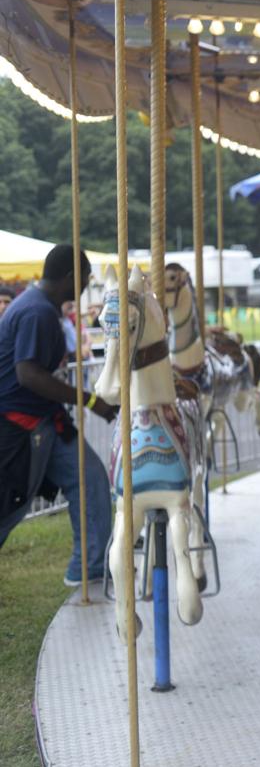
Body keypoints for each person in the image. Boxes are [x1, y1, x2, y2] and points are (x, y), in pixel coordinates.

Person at [0, 245, 116, 586]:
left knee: (90, 479)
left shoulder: (43, 308)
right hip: (19, 427)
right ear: (70, 277)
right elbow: (29, 375)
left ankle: (89, 568)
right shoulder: (36, 312)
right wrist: (91, 401)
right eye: (84, 276)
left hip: (45, 422)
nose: (85, 284)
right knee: (8, 509)